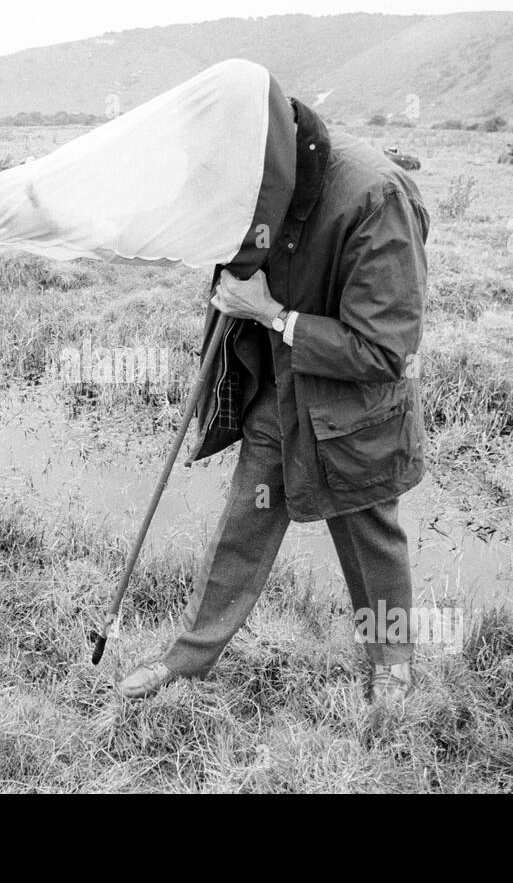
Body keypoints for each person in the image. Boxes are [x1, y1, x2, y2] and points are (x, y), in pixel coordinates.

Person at [117, 97, 430, 705]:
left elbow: (385, 351)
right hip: (281, 400)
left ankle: (391, 665)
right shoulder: (260, 181)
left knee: (370, 538)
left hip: (354, 418)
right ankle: (186, 661)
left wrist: (272, 314)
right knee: (242, 529)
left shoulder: (376, 197)